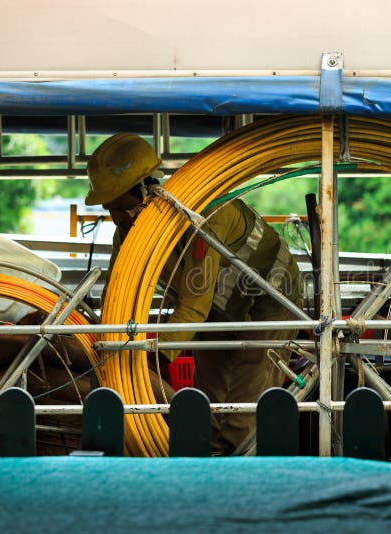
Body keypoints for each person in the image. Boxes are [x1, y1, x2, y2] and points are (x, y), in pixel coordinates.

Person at [85, 133, 303, 454]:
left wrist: (152, 359)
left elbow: (194, 304)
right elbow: (118, 293)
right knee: (208, 406)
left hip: (270, 300)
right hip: (219, 310)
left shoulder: (202, 215)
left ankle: (236, 486)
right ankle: (204, 475)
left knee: (243, 409)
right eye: (110, 209)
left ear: (147, 190)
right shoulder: (127, 232)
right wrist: (111, 345)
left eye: (122, 207)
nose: (117, 218)